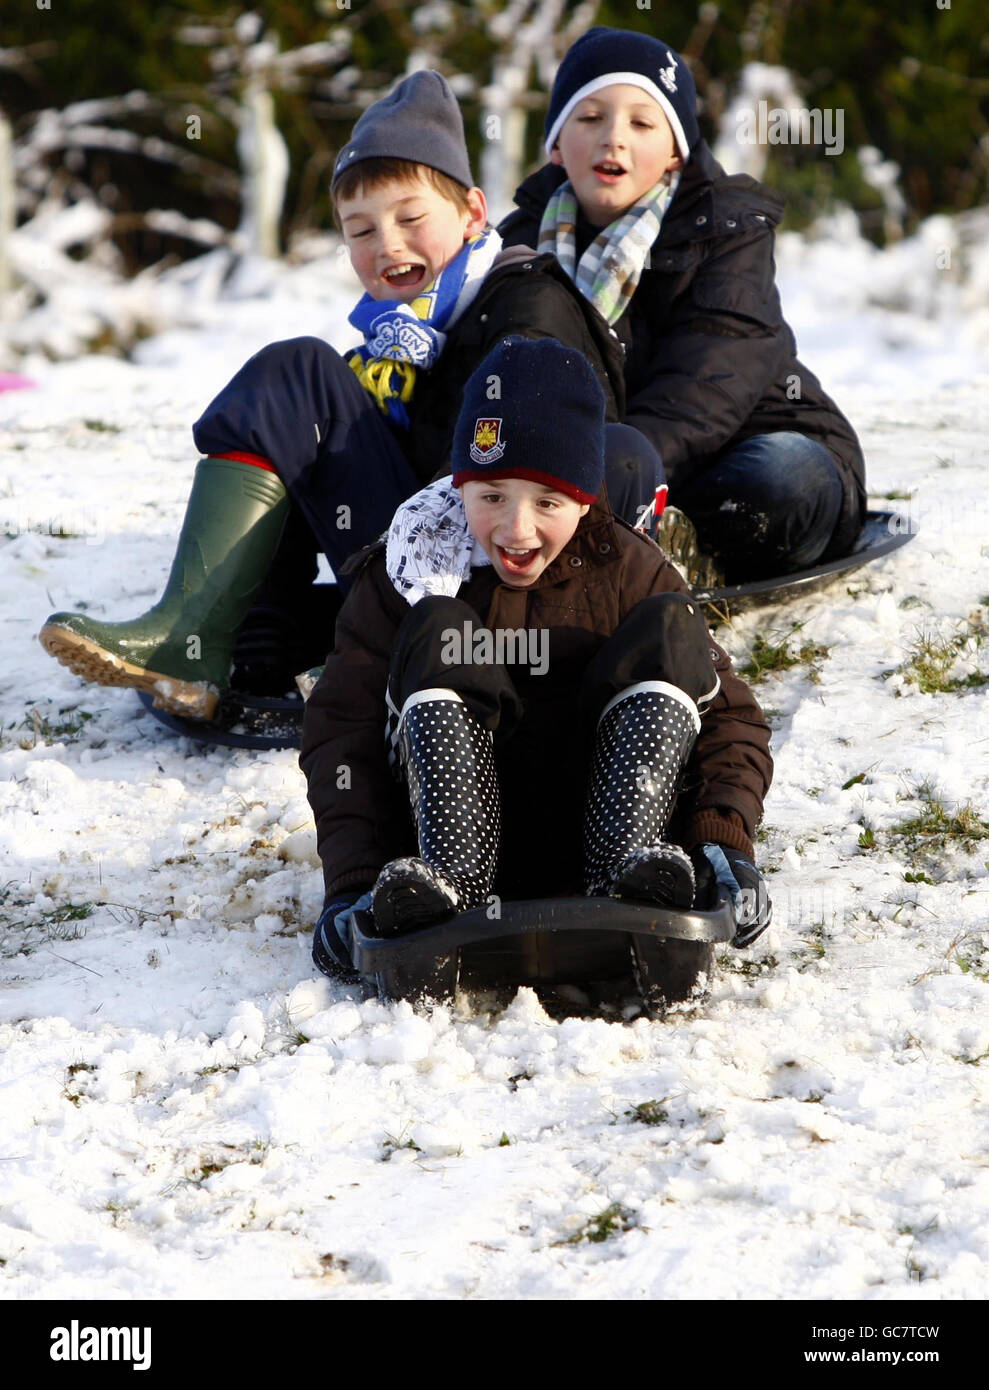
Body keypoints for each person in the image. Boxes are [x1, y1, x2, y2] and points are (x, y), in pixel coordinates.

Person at [39, 71, 639, 720]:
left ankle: (382, 650)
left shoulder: (523, 306)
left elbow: (512, 479)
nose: (387, 244)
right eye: (360, 230)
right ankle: (207, 641)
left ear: (471, 212)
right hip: (426, 562)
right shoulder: (399, 339)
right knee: (297, 391)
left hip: (510, 584)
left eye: (410, 218)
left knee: (302, 376)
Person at [301, 338, 774, 982]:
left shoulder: (629, 567)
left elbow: (733, 721)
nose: (516, 530)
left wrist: (722, 841)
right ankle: (449, 889)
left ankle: (630, 878)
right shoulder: (409, 567)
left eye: (547, 502)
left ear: (585, 500)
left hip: (602, 820)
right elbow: (342, 730)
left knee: (669, 631)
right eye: (491, 495)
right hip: (448, 826)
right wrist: (352, 880)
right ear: (459, 483)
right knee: (440, 629)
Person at [498, 26, 867, 583]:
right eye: (590, 118)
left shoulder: (728, 227)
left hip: (743, 444)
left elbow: (709, 381)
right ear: (555, 143)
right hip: (602, 471)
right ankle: (645, 533)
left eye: (641, 123)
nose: (613, 139)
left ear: (676, 153)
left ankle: (664, 538)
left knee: (783, 481)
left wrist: (611, 474)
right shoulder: (517, 245)